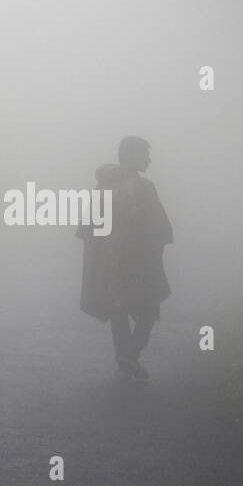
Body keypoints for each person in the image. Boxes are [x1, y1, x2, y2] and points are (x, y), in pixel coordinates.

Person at [76, 136, 173, 380]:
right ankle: (130, 354)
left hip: (109, 260)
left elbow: (89, 227)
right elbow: (158, 228)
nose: (149, 159)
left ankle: (124, 358)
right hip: (139, 259)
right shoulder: (143, 187)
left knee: (118, 309)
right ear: (131, 156)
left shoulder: (103, 186)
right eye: (144, 154)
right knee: (150, 307)